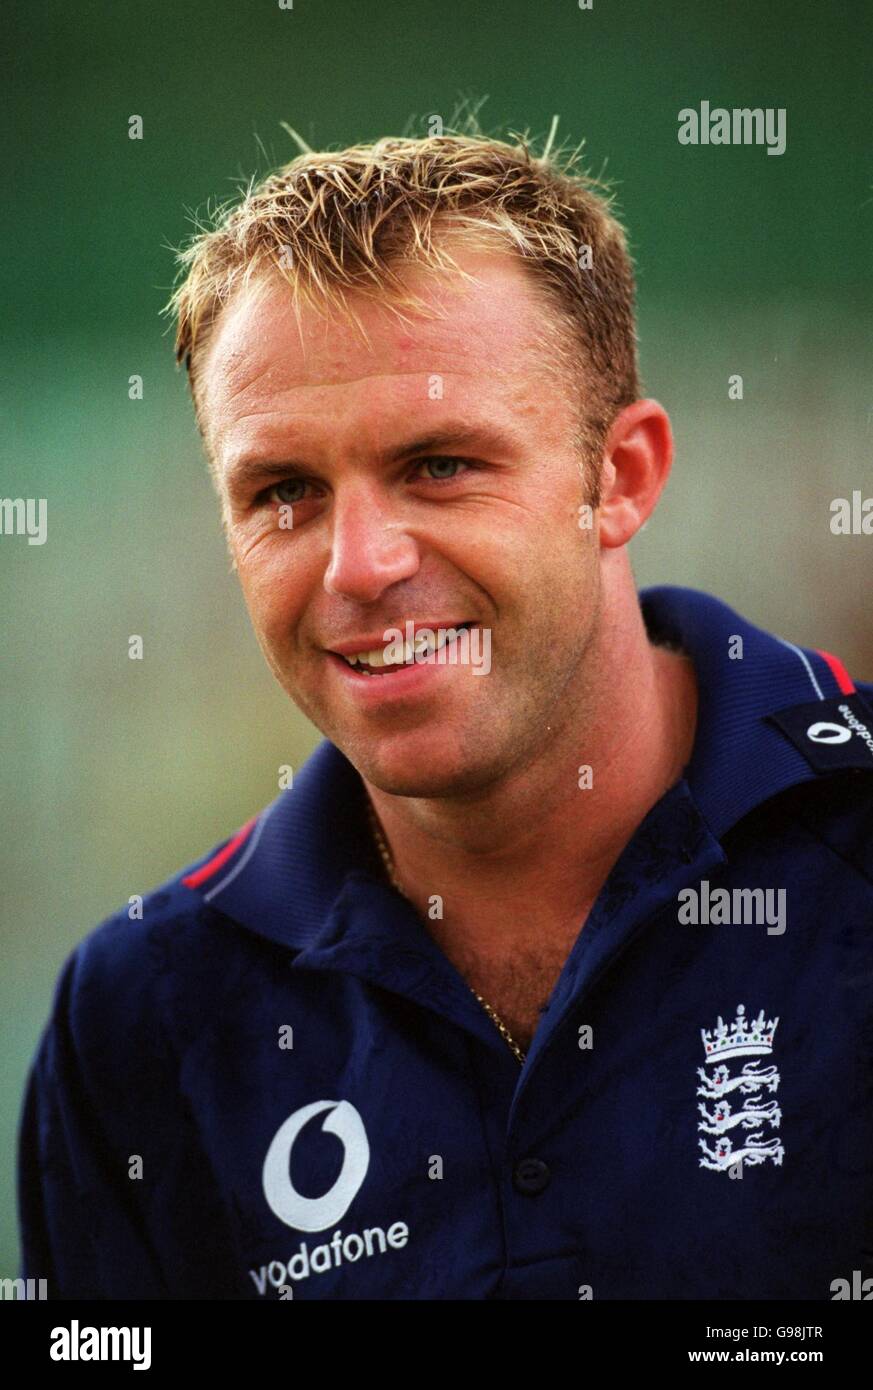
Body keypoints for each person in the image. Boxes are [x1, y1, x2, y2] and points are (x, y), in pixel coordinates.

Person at [18, 128, 873, 1301]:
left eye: (440, 465)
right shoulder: (140, 1020)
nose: (357, 566)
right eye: (284, 493)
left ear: (619, 479)